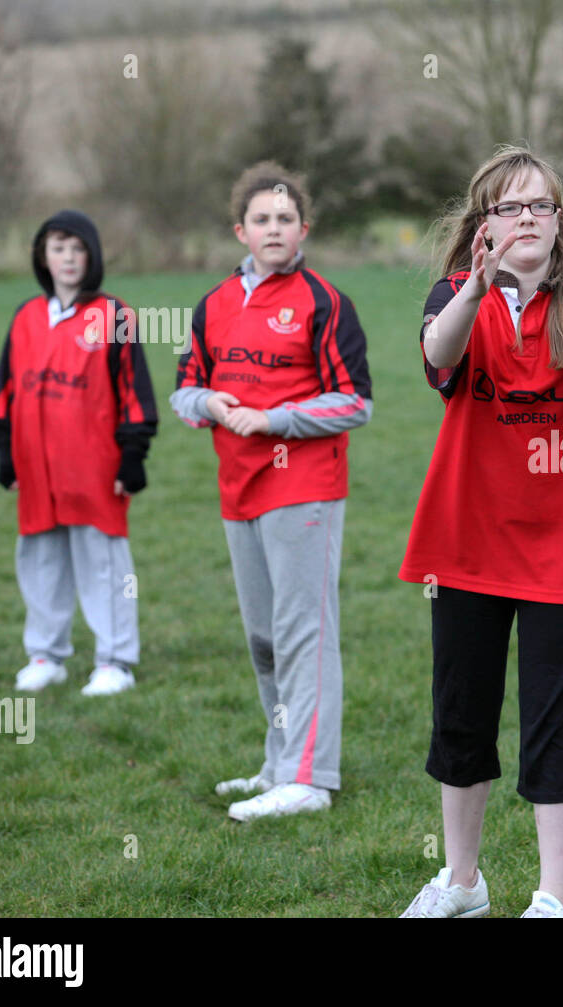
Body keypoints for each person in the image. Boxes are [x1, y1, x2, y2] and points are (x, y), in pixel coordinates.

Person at [397, 146, 563, 918]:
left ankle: (554, 896)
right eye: (510, 208)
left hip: (560, 547)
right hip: (465, 543)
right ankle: (462, 883)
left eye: (541, 205)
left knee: (554, 725)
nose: (528, 220)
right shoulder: (455, 295)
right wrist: (476, 290)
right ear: (484, 225)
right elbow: (436, 354)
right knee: (462, 718)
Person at [171, 162, 372, 822]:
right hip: (239, 487)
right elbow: (183, 387)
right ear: (242, 230)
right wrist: (208, 401)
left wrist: (277, 418)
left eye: (286, 218)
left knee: (303, 632)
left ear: (304, 228)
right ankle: (279, 760)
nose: (274, 228)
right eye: (262, 218)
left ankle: (310, 777)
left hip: (304, 486)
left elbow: (356, 403)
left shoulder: (325, 302)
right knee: (263, 638)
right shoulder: (213, 304)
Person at [0, 209, 158, 697]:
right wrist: (4, 452)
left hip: (94, 468)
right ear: (43, 256)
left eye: (77, 248)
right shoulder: (25, 317)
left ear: (93, 256)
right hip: (36, 468)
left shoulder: (115, 316)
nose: (68, 257)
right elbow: (4, 392)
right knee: (40, 561)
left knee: (103, 563)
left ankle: (115, 660)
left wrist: (133, 455)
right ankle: (46, 655)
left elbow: (134, 394)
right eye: (58, 247)